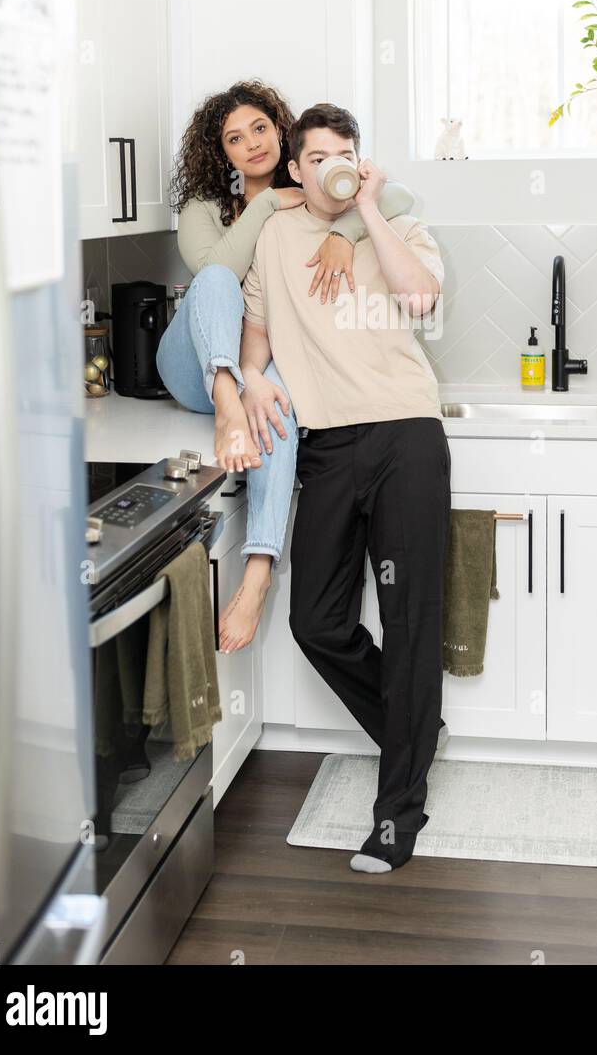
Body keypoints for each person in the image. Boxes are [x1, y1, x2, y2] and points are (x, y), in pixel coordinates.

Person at [240, 102, 451, 873]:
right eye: (320, 154)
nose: (334, 162)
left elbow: (422, 298)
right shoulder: (272, 234)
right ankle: (413, 734)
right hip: (326, 446)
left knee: (408, 617)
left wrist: (364, 206)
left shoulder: (392, 218)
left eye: (347, 152)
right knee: (316, 622)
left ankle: (397, 814)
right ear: (295, 167)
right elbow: (258, 322)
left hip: (404, 433)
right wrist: (252, 378)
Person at [156, 80, 414, 653]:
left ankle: (257, 571)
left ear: (280, 130)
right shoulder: (209, 206)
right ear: (219, 152)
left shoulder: (316, 183)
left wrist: (345, 233)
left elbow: (396, 199)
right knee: (218, 283)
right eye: (234, 138)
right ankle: (227, 398)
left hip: (258, 365)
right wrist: (269, 202)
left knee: (276, 400)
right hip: (191, 364)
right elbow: (211, 267)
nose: (251, 143)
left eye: (260, 129)